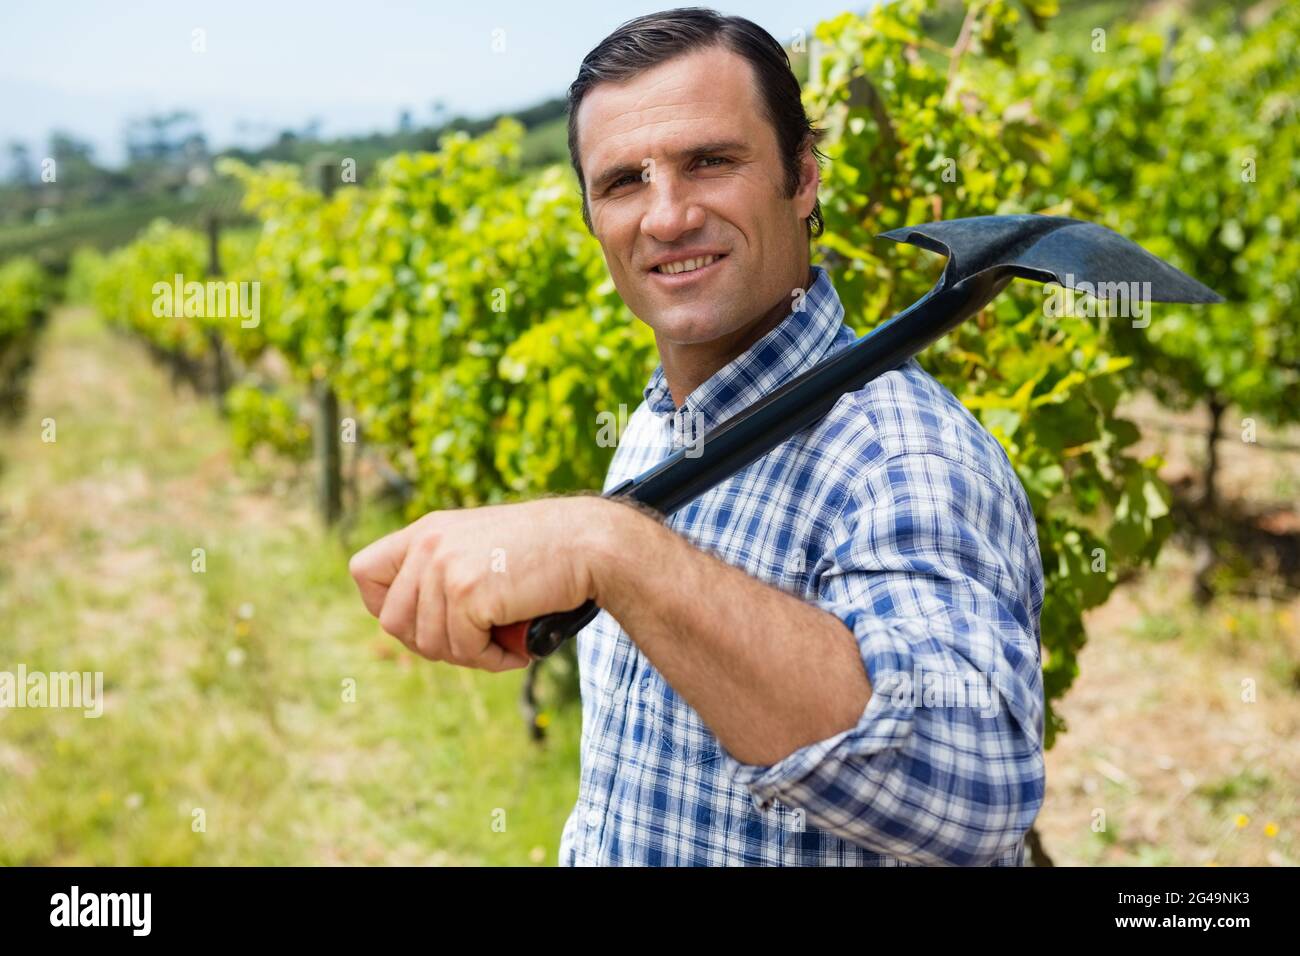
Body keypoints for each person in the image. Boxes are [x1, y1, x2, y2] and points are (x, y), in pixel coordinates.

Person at [348, 7, 1046, 866]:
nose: (668, 216)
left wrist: (609, 545)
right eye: (623, 182)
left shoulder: (903, 456)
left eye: (710, 162)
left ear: (802, 176)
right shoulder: (653, 429)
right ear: (591, 217)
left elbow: (975, 790)